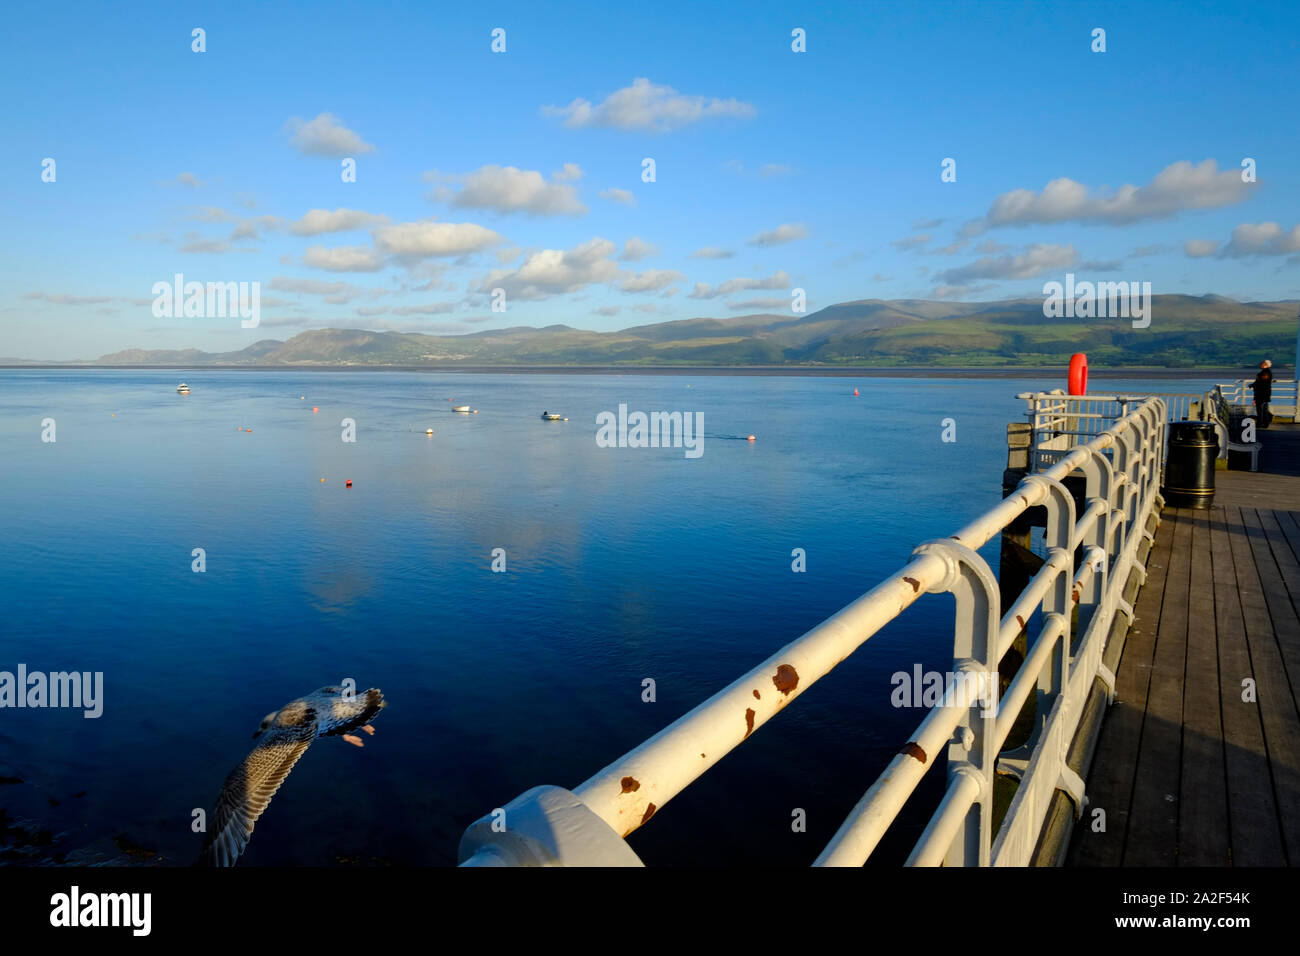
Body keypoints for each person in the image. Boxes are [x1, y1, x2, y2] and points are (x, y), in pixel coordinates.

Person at [1250, 359, 1273, 429]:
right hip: (1266, 393)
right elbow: (1260, 382)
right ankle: (1265, 423)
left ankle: (1260, 423)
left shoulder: (1265, 373)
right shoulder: (1267, 372)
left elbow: (1261, 383)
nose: (1261, 364)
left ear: (1265, 365)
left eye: (1262, 363)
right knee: (1264, 409)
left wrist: (1254, 385)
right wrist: (1253, 384)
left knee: (1260, 409)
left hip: (1261, 394)